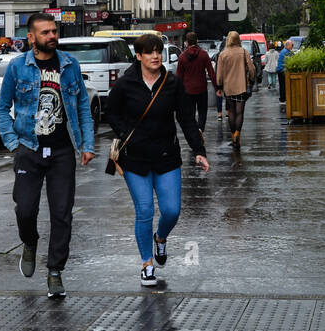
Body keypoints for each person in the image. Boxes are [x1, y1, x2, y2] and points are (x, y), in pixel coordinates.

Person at [0, 12, 95, 297]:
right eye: (46, 32)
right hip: (29, 149)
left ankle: (55, 272)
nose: (52, 36)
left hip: (63, 151)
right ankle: (29, 242)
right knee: (25, 210)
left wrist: (87, 144)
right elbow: (2, 109)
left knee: (62, 214)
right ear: (31, 37)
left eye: (54, 31)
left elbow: (83, 108)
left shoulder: (69, 65)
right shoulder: (18, 68)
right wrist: (14, 143)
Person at [106, 32, 209, 288]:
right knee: (144, 211)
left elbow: (186, 118)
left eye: (158, 51)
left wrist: (199, 150)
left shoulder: (172, 83)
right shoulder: (125, 83)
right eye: (149, 52)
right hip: (135, 160)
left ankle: (160, 238)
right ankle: (146, 264)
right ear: (138, 56)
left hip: (166, 156)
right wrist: (125, 134)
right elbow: (112, 113)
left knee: (172, 210)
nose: (155, 56)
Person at [214, 31, 255, 150]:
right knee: (240, 112)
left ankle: (233, 136)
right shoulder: (243, 52)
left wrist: (219, 86)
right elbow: (251, 69)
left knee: (231, 111)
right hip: (242, 85)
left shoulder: (223, 54)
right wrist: (252, 80)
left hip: (228, 87)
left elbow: (219, 74)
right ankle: (238, 133)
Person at [174, 30, 216, 132]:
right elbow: (211, 72)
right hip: (201, 88)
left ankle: (193, 131)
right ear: (197, 41)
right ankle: (200, 129)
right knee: (202, 112)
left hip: (187, 90)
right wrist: (217, 87)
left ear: (186, 43)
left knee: (190, 113)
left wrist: (177, 93)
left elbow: (179, 77)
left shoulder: (182, 57)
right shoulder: (204, 55)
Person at [277, 39, 295, 105]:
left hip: (280, 70)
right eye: (291, 45)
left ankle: (282, 99)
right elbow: (293, 60)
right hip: (282, 70)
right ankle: (283, 99)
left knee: (282, 85)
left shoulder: (284, 51)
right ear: (287, 45)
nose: (292, 47)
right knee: (284, 85)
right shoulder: (287, 52)